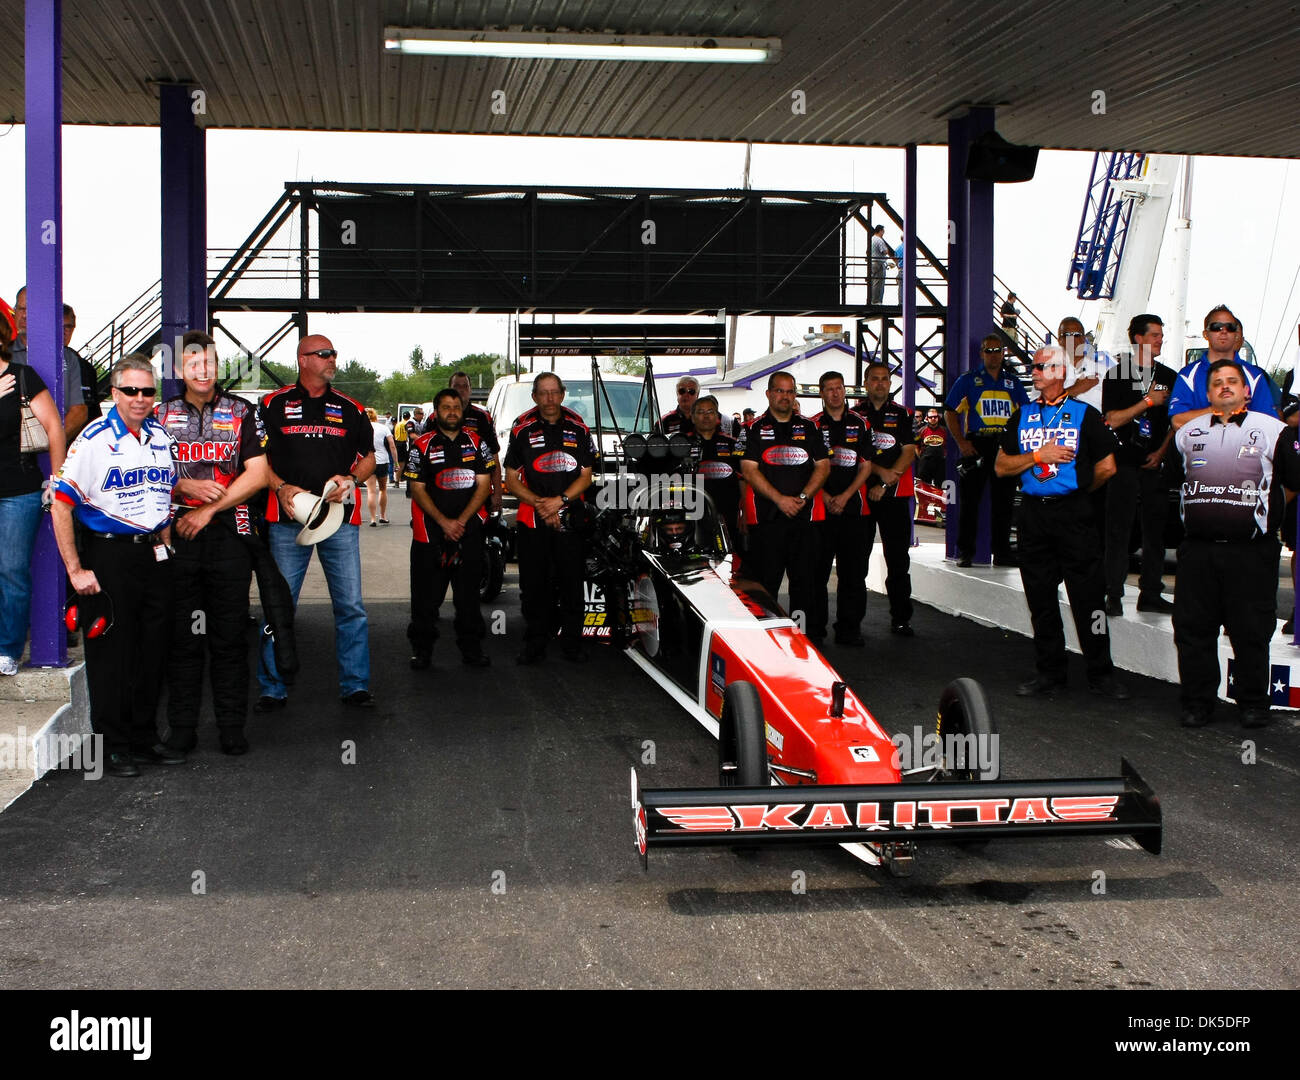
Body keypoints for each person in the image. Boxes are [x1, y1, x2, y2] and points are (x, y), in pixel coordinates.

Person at [50, 355, 182, 777]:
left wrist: (165, 543)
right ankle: (112, 747)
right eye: (131, 391)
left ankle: (143, 738)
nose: (140, 399)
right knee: (112, 653)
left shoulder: (162, 437)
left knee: (152, 651)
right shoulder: (92, 439)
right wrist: (75, 569)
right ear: (114, 393)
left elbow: (164, 497)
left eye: (148, 391)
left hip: (153, 556)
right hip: (109, 555)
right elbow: (60, 505)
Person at [157, 331, 270, 755]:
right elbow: (146, 475)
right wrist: (182, 483)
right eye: (193, 364)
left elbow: (257, 474)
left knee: (228, 637)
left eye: (209, 363)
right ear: (178, 369)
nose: (203, 371)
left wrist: (208, 510)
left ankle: (230, 728)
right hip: (179, 537)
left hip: (228, 536)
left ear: (218, 367)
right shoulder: (160, 415)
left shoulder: (242, 411)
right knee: (184, 638)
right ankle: (182, 730)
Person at [1172, 359, 1300, 729]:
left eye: (1233, 381)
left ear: (1247, 391)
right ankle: (1197, 703)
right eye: (1217, 383)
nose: (1225, 387)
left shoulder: (1274, 430)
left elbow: (1291, 482)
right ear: (1209, 393)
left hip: (1251, 552)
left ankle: (1254, 704)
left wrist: (1265, 513)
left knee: (1251, 629)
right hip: (1198, 550)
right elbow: (1177, 480)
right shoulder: (1187, 433)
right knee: (1193, 629)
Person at [995, 346, 1127, 699]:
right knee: (1040, 598)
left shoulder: (1085, 415)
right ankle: (1050, 672)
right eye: (1033, 366)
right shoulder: (1021, 415)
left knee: (1088, 599)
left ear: (1059, 372)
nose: (1034, 372)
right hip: (1034, 515)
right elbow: (1001, 466)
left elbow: (1108, 467)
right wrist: (1039, 455)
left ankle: (1101, 674)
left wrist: (1079, 493)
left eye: (1040, 367)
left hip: (1074, 515)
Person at [257, 334, 376, 709]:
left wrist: (352, 479)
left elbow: (370, 458)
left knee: (351, 606)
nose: (332, 359)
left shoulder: (351, 408)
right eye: (323, 354)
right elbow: (255, 463)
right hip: (286, 519)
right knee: (278, 605)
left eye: (334, 353)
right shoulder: (270, 405)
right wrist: (278, 487)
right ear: (302, 359)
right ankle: (272, 687)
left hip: (338, 519)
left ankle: (355, 685)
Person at [503, 372, 595, 664]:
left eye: (555, 392)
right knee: (533, 585)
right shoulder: (521, 429)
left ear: (563, 394)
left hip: (570, 516)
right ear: (534, 396)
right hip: (532, 517)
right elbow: (511, 478)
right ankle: (535, 644)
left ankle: (572, 644)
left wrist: (560, 502)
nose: (550, 398)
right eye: (543, 393)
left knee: (571, 583)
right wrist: (541, 504)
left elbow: (586, 476)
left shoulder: (579, 427)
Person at [0, 299, 67, 676]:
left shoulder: (23, 376)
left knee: (11, 571)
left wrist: (56, 480)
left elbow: (55, 428)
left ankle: (7, 649)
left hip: (17, 492)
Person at [407, 388, 493, 670]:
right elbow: (416, 489)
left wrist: (462, 522)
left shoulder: (478, 443)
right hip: (430, 533)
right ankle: (422, 651)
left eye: (456, 407)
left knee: (468, 597)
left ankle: (472, 650)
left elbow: (484, 484)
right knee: (425, 598)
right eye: (446, 407)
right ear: (436, 412)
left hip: (468, 532)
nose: (452, 412)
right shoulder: (421, 445)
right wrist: (444, 523)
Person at [740, 371, 831, 630]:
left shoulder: (811, 427)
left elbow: (823, 467)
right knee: (766, 584)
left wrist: (802, 498)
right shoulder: (752, 428)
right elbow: (748, 469)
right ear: (768, 394)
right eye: (779, 391)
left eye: (790, 391)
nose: (785, 396)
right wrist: (780, 500)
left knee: (804, 584)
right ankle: (766, 635)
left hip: (805, 519)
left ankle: (803, 638)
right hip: (767, 520)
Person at [1101, 314, 1178, 617]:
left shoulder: (1170, 376)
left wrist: (1161, 452)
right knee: (1118, 530)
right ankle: (1112, 593)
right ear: (1138, 338)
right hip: (1124, 462)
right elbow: (1112, 419)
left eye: (1161, 334)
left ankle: (1151, 593)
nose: (1160, 340)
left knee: (1155, 531)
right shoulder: (1118, 374)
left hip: (1156, 461)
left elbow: (1177, 421)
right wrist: (1147, 402)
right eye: (1155, 335)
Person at [944, 333, 1030, 566]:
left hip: (1005, 446)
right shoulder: (968, 380)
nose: (993, 355)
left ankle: (1002, 553)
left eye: (997, 350)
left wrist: (1019, 445)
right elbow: (949, 411)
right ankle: (965, 552)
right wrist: (962, 442)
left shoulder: (1013, 382)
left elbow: (1028, 413)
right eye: (988, 351)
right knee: (970, 502)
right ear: (981, 354)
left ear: (1004, 353)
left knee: (1004, 502)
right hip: (977, 445)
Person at [808, 371, 872, 644]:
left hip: (853, 508)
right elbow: (806, 467)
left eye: (839, 388)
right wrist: (822, 496)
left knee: (853, 573)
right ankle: (815, 631)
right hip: (820, 511)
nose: (835, 393)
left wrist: (845, 496)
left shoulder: (861, 424)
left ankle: (849, 629)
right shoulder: (810, 425)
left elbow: (866, 465)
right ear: (821, 393)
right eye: (829, 389)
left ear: (845, 391)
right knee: (816, 573)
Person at [858, 361, 918, 636]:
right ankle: (851, 623)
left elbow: (908, 452)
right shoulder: (854, 415)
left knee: (897, 560)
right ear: (866, 383)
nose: (880, 383)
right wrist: (879, 473)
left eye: (885, 379)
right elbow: (853, 455)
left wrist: (883, 481)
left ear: (890, 384)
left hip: (895, 494)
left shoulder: (903, 414)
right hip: (860, 495)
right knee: (856, 560)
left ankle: (901, 618)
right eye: (875, 379)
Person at [1169, 306, 1279, 431]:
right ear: (1206, 334)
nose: (1224, 331)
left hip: (1243, 448)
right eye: (1217, 327)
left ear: (1236, 334)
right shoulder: (1187, 375)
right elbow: (1177, 422)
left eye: (1230, 327)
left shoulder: (1254, 375)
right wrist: (1218, 409)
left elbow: (1270, 424)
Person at [12, 286, 87, 442]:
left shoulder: (68, 358)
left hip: (55, 449)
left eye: (30, 309)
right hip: (12, 453)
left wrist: (50, 442)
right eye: (21, 309)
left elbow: (79, 411)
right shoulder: (4, 356)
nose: (25, 315)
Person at [690, 394, 744, 549]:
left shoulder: (733, 444)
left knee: (732, 555)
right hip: (692, 512)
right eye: (701, 412)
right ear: (693, 417)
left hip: (728, 512)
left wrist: (745, 511)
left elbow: (743, 479)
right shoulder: (682, 444)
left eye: (711, 412)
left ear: (717, 417)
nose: (706, 416)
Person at [450, 370, 503, 513]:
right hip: (445, 490)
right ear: (449, 389)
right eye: (456, 386)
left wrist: (497, 492)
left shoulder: (482, 417)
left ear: (470, 390)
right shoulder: (434, 418)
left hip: (477, 490)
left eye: (465, 386)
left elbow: (494, 456)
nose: (461, 390)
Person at [363, 406, 397, 526]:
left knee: (371, 491)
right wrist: (396, 462)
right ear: (375, 416)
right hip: (382, 460)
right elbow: (392, 445)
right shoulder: (384, 428)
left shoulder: (362, 428)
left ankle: (373, 518)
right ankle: (383, 516)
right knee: (383, 489)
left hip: (368, 461)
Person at [915, 407, 947, 487]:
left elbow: (949, 445)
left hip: (940, 462)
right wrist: (920, 456)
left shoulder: (945, 431)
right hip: (925, 462)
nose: (933, 419)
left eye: (935, 417)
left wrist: (945, 454)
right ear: (927, 418)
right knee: (924, 486)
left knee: (941, 486)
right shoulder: (921, 431)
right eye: (930, 417)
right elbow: (915, 445)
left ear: (938, 418)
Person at [868, 225, 895, 305]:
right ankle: (876, 301)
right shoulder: (879, 240)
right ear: (880, 231)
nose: (883, 233)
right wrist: (886, 249)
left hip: (872, 262)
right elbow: (884, 251)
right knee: (879, 283)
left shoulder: (872, 239)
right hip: (879, 263)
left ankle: (871, 300)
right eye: (883, 231)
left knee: (873, 282)